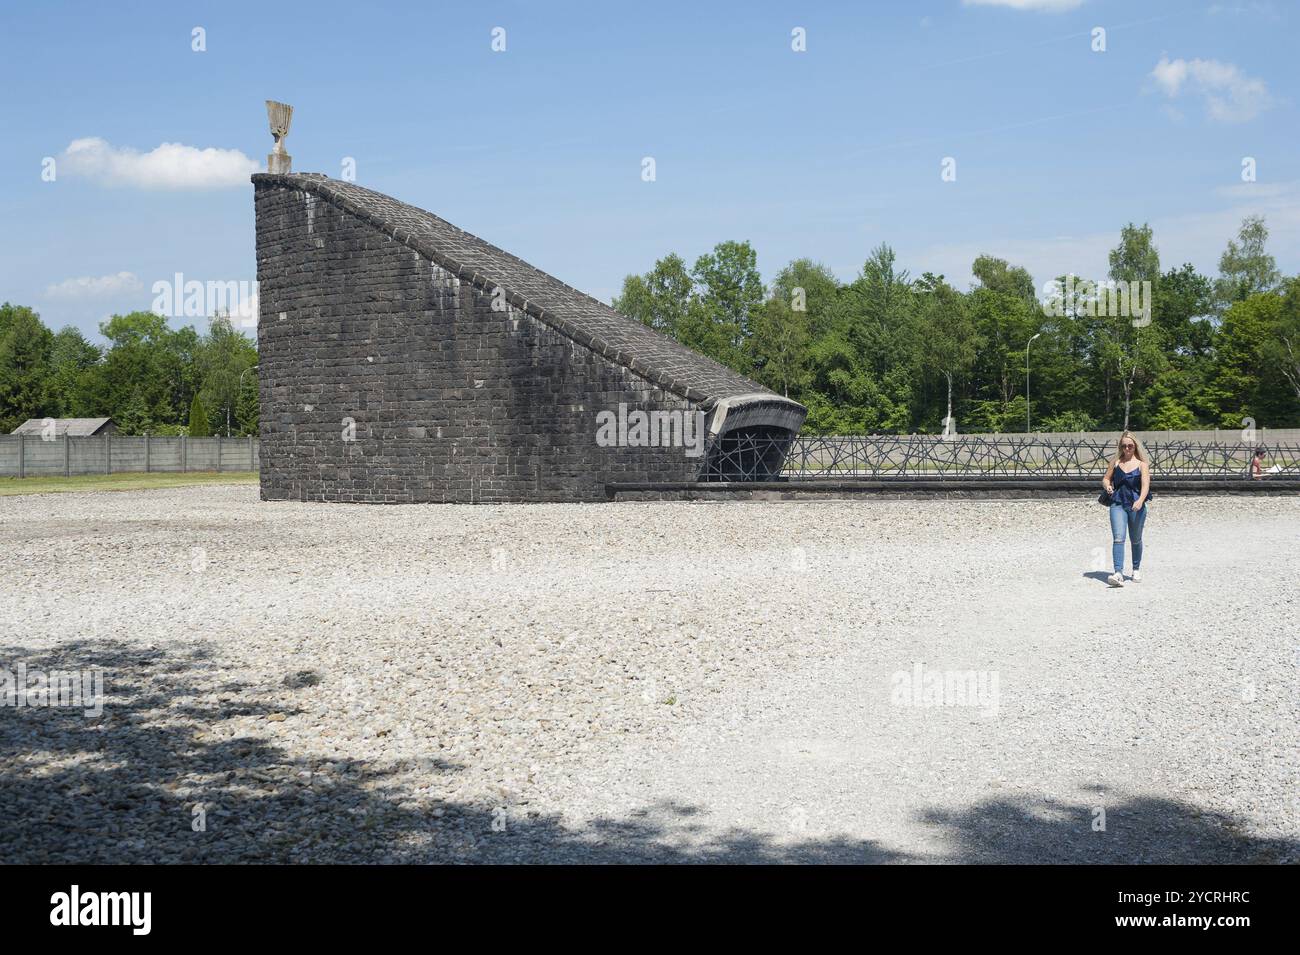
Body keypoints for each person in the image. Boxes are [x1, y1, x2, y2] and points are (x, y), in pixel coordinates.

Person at [1101, 431, 1150, 587]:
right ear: (1120, 447)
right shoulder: (1115, 462)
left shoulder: (1143, 465)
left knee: (1135, 539)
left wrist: (1141, 500)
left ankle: (1136, 568)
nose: (1127, 448)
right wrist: (1107, 486)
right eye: (1124, 446)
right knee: (1118, 538)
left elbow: (1145, 486)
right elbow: (1106, 478)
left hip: (1136, 505)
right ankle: (1118, 573)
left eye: (1130, 445)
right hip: (1118, 503)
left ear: (1135, 446)